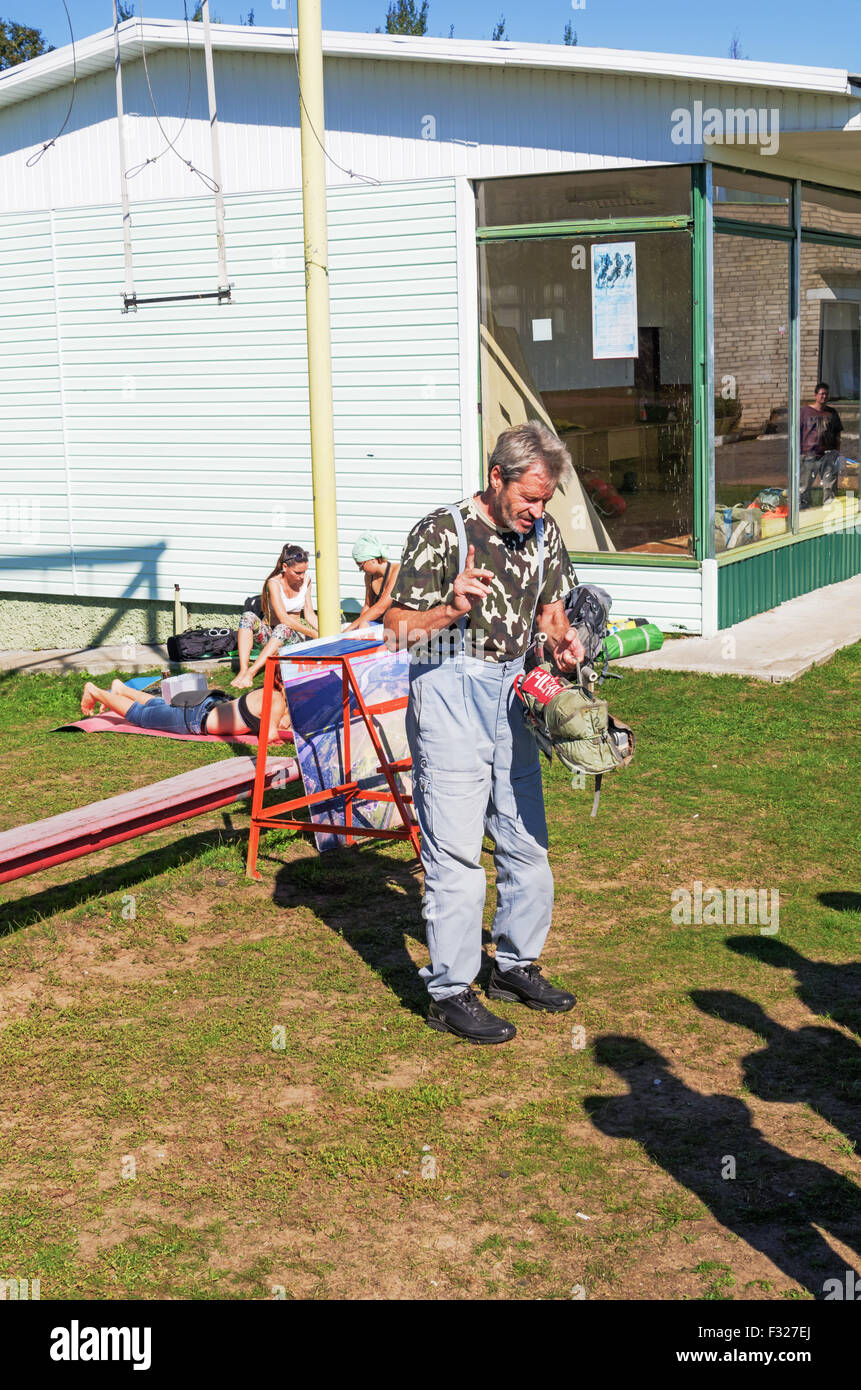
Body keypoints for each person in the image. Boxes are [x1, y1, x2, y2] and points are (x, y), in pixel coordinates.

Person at [384, 421, 586, 1046]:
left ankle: (515, 964)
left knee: (527, 842)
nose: (536, 510)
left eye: (545, 499)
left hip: (512, 691)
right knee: (457, 852)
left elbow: (555, 607)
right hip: (448, 687)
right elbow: (394, 630)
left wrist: (563, 639)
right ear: (496, 477)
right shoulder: (440, 532)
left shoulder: (543, 533)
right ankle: (449, 991)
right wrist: (451, 607)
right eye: (528, 497)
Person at [81, 677, 290, 742]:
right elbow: (271, 736)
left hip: (206, 709)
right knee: (141, 716)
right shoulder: (275, 700)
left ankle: (122, 689)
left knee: (159, 706)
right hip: (195, 718)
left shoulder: (274, 696)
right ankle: (95, 691)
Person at [231, 544, 318, 690]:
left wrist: (322, 632)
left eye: (304, 572)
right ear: (285, 566)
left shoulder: (307, 581)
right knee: (247, 616)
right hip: (270, 636)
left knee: (283, 628)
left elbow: (309, 613)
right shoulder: (274, 583)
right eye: (298, 572)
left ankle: (252, 673)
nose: (301, 577)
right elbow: (283, 617)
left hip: (292, 639)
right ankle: (243, 670)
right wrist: (312, 633)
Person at [343, 532, 400, 630]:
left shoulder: (397, 570)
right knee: (362, 626)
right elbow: (368, 606)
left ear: (373, 559)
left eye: (361, 565)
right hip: (381, 623)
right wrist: (357, 627)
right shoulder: (369, 576)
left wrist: (351, 627)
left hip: (399, 624)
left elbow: (381, 607)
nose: (360, 569)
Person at [799, 382, 843, 508]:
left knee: (830, 485)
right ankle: (803, 509)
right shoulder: (804, 411)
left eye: (826, 394)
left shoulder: (832, 413)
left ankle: (830, 508)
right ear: (815, 395)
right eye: (822, 394)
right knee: (804, 485)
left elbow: (837, 433)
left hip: (828, 455)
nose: (824, 396)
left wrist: (837, 453)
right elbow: (797, 432)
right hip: (808, 454)